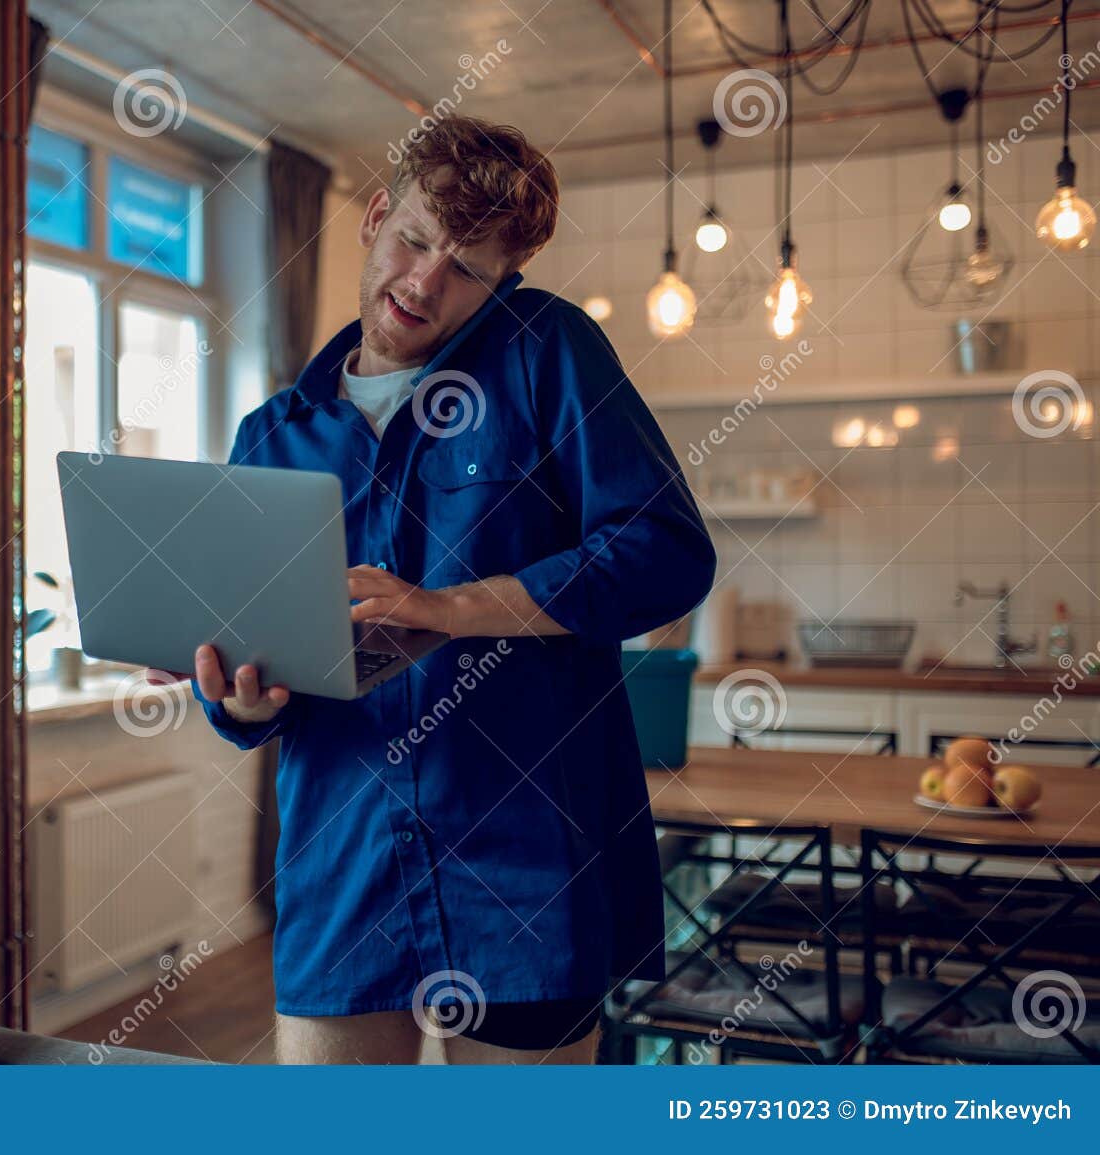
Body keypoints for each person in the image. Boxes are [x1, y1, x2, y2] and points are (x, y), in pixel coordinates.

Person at [151, 116, 715, 1064]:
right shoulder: (273, 433)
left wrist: (451, 609)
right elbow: (253, 676)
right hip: (342, 865)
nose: (423, 283)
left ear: (506, 282)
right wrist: (240, 701)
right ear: (375, 216)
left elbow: (665, 550)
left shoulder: (550, 353)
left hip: (524, 867)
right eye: (413, 241)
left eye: (466, 269)